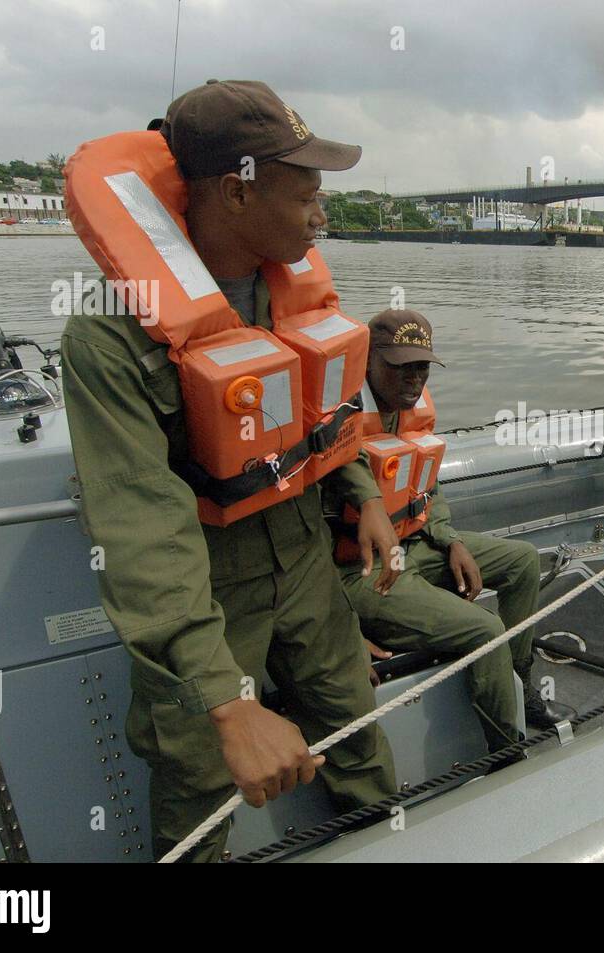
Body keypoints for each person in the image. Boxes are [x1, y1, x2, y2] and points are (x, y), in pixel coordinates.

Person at [61, 80, 398, 861]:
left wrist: (364, 495)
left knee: (356, 733)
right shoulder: (110, 340)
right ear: (235, 192)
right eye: (307, 193)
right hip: (209, 599)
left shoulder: (292, 292)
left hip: (308, 567)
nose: (323, 216)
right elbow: (140, 523)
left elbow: (327, 413)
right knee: (199, 789)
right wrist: (222, 696)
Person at [328, 309, 577, 752]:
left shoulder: (411, 415)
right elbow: (301, 546)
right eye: (400, 367)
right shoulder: (335, 425)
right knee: (484, 628)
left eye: (421, 367)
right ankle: (506, 750)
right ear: (367, 361)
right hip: (360, 573)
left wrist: (452, 540)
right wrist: (339, 626)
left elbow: (426, 490)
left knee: (521, 561)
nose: (414, 379)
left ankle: (518, 683)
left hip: (415, 545)